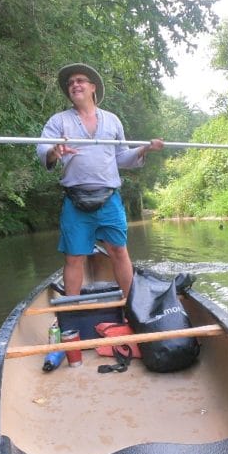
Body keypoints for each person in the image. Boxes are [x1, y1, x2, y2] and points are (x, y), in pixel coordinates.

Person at [37, 63, 164, 298]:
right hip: (75, 200)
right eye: (71, 83)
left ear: (92, 87)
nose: (74, 85)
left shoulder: (113, 121)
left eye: (80, 80)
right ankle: (72, 312)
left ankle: (132, 306)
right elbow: (42, 150)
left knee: (119, 250)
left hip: (109, 199)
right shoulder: (58, 121)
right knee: (74, 257)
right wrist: (55, 151)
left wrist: (144, 149)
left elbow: (122, 158)